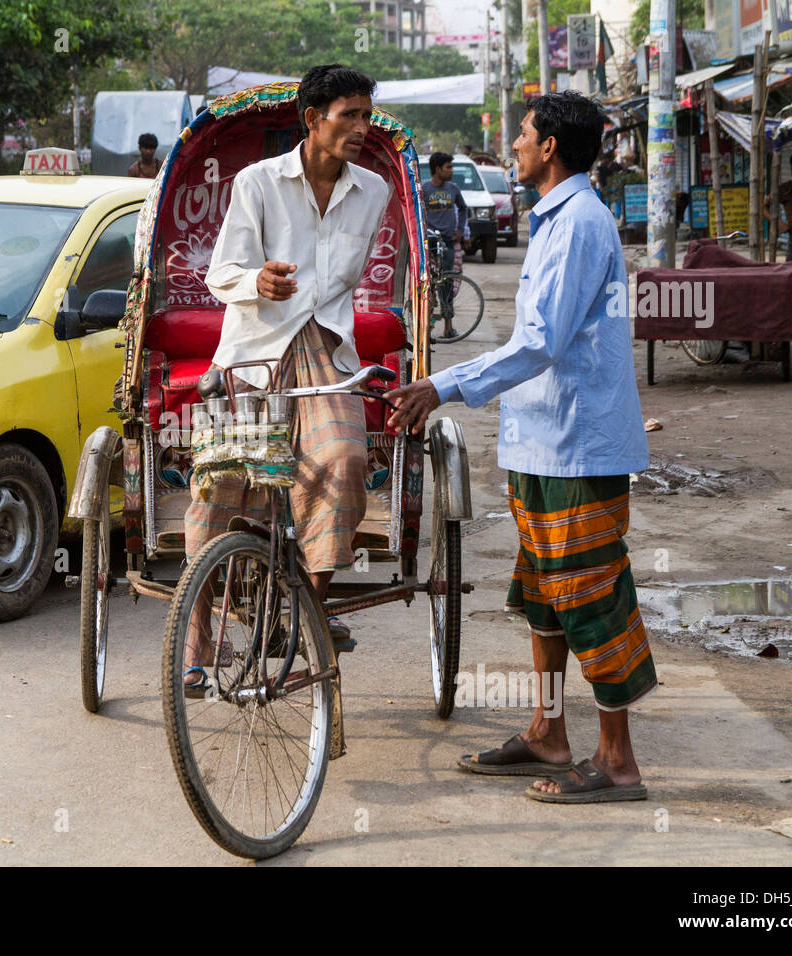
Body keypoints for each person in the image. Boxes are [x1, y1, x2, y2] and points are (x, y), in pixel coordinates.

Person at [388, 91, 656, 803]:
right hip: (541, 442)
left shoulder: (578, 226)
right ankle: (548, 731)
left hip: (577, 446)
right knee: (545, 599)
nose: (514, 147)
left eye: (524, 137)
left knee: (592, 597)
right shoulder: (555, 219)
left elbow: (539, 343)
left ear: (553, 149)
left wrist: (442, 386)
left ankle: (618, 762)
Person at [180, 64, 392, 694]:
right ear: (312, 120)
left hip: (327, 351)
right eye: (347, 115)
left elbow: (343, 286)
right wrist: (256, 282)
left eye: (365, 115)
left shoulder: (374, 191)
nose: (360, 127)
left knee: (346, 457)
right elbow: (221, 274)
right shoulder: (258, 183)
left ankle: (305, 607)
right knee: (221, 485)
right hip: (253, 350)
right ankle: (196, 634)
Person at [421, 151, 469, 338]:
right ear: (437, 169)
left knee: (446, 284)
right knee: (428, 287)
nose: (452, 170)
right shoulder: (424, 190)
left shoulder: (453, 189)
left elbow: (463, 209)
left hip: (448, 243)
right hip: (429, 246)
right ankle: (426, 328)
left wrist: (460, 229)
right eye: (448, 167)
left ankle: (448, 326)